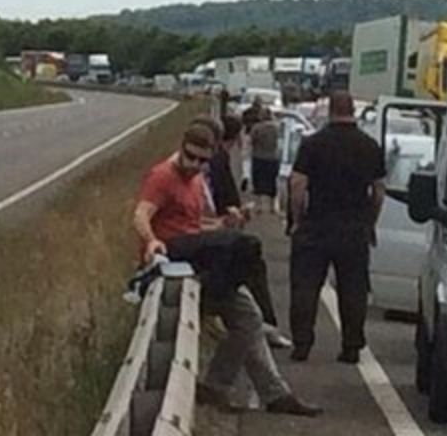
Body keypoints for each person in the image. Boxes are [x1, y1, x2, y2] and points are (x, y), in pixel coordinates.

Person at [132, 121, 320, 416]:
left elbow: (194, 227)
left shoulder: (196, 180)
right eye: (190, 157)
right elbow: (141, 214)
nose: (194, 165)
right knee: (247, 308)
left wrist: (224, 223)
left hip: (202, 259)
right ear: (181, 148)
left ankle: (267, 393)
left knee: (249, 320)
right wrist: (152, 241)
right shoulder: (163, 177)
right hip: (177, 264)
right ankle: (239, 388)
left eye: (202, 160)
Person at [288, 91, 386, 364]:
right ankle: (352, 346)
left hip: (317, 223)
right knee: (353, 288)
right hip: (354, 226)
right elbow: (379, 190)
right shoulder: (369, 146)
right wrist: (370, 222)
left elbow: (297, 184)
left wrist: (297, 218)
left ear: (330, 110)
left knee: (306, 286)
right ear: (353, 110)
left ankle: (302, 343)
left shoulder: (313, 144)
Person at [205, 114, 293, 349]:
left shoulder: (212, 162)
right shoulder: (217, 161)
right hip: (210, 237)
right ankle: (265, 324)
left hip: (210, 231)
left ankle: (260, 326)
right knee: (251, 257)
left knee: (248, 258)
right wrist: (231, 218)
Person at [250, 108, 281, 214]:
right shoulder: (276, 127)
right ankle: (273, 206)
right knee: (272, 181)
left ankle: (259, 205)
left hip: (258, 156)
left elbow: (252, 140)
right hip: (273, 157)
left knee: (258, 181)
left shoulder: (257, 128)